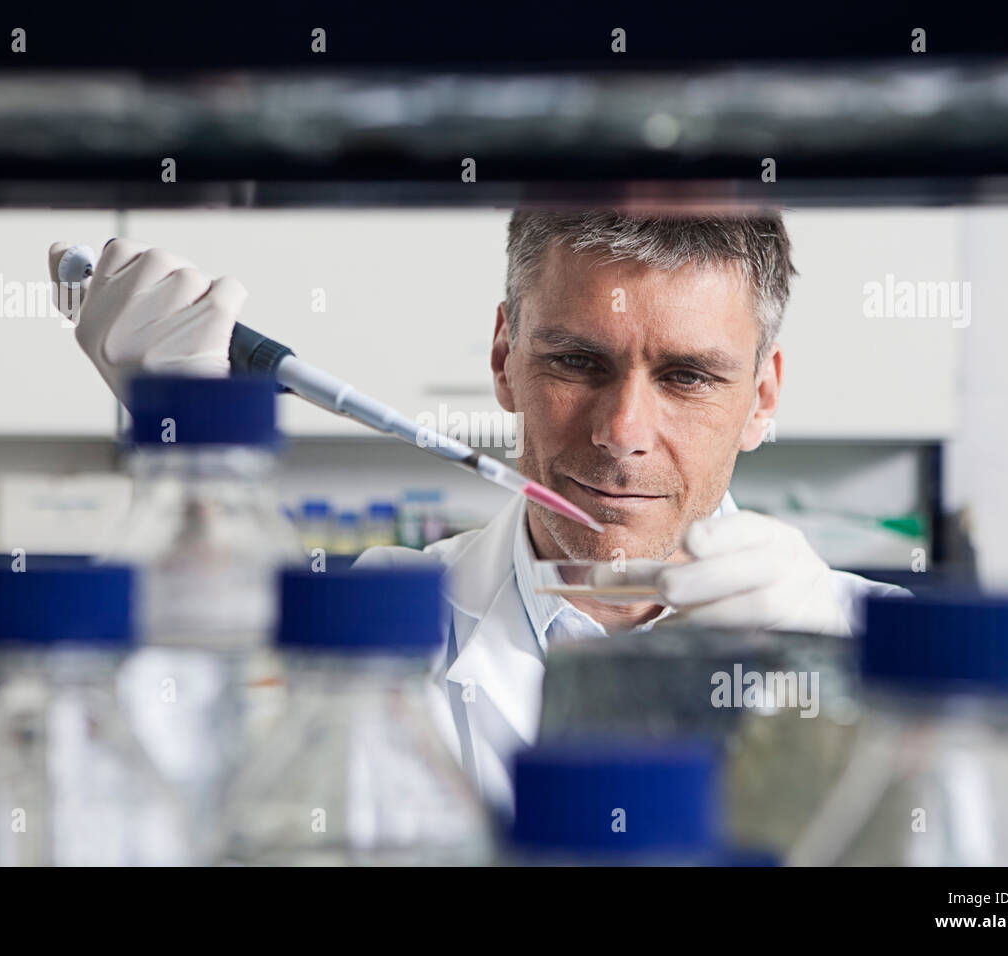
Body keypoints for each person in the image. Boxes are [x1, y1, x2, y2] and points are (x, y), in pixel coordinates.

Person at [49, 210, 905, 813]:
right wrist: (187, 446)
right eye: (577, 361)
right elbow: (136, 797)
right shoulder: (374, 630)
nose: (621, 433)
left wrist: (847, 689)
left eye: (687, 376)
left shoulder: (889, 646)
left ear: (762, 397)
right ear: (505, 358)